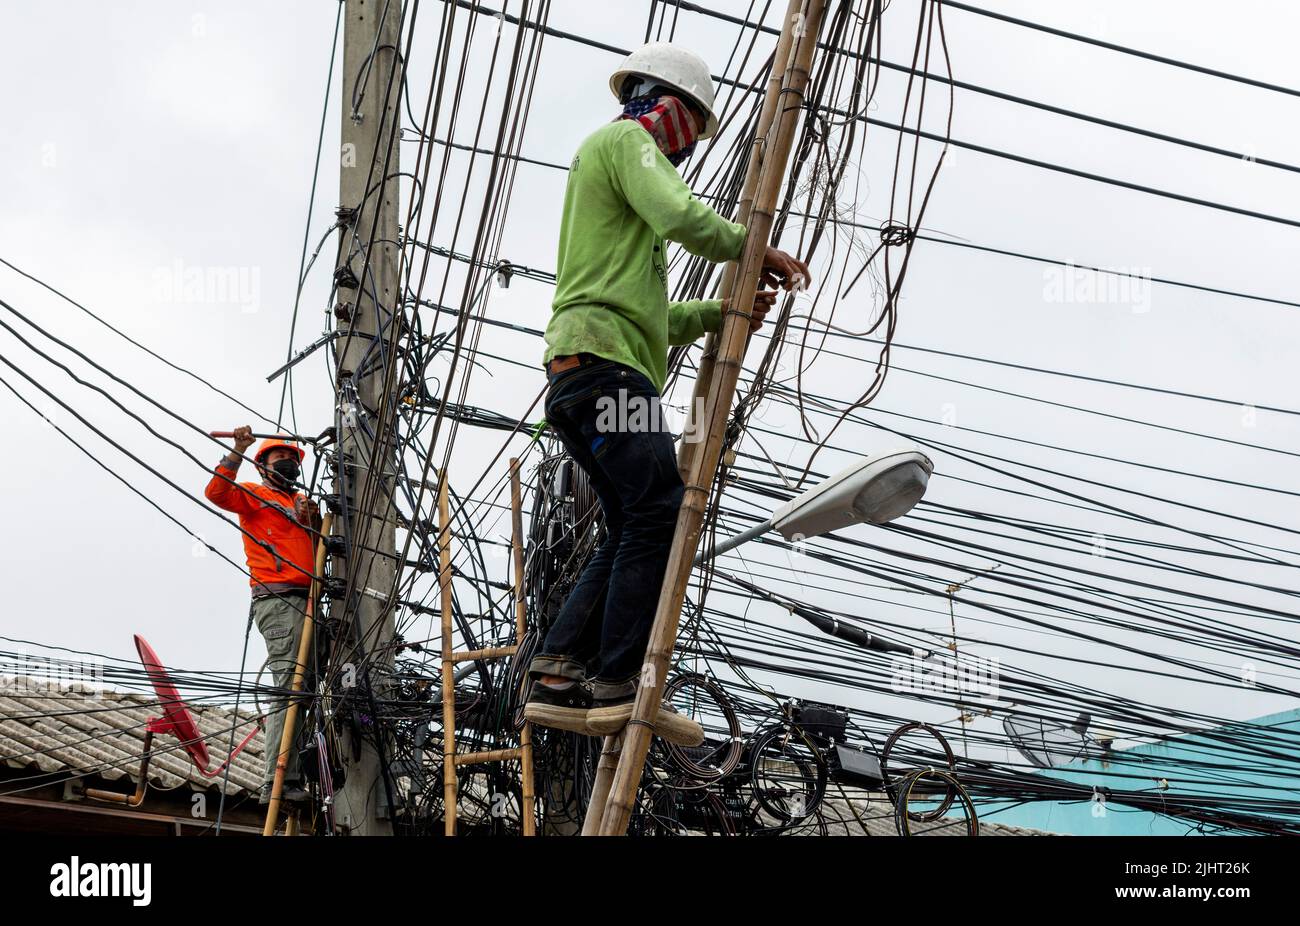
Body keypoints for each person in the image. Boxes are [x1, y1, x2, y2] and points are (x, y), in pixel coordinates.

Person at [524, 43, 812, 743]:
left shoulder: (618, 192)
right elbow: (685, 217)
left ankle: (558, 672)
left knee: (633, 520)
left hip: (586, 373)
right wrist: (753, 247)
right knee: (657, 509)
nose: (685, 148)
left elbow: (656, 318)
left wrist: (723, 312)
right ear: (658, 101)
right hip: (604, 371)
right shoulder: (625, 140)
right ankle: (617, 679)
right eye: (688, 124)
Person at [205, 426, 320, 803]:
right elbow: (216, 493)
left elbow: (325, 549)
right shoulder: (255, 496)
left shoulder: (303, 504)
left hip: (312, 601)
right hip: (279, 600)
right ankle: (278, 780)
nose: (289, 465)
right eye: (280, 460)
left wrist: (314, 524)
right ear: (263, 467)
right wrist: (238, 449)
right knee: (289, 686)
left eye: (293, 461)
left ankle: (309, 768)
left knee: (313, 690)